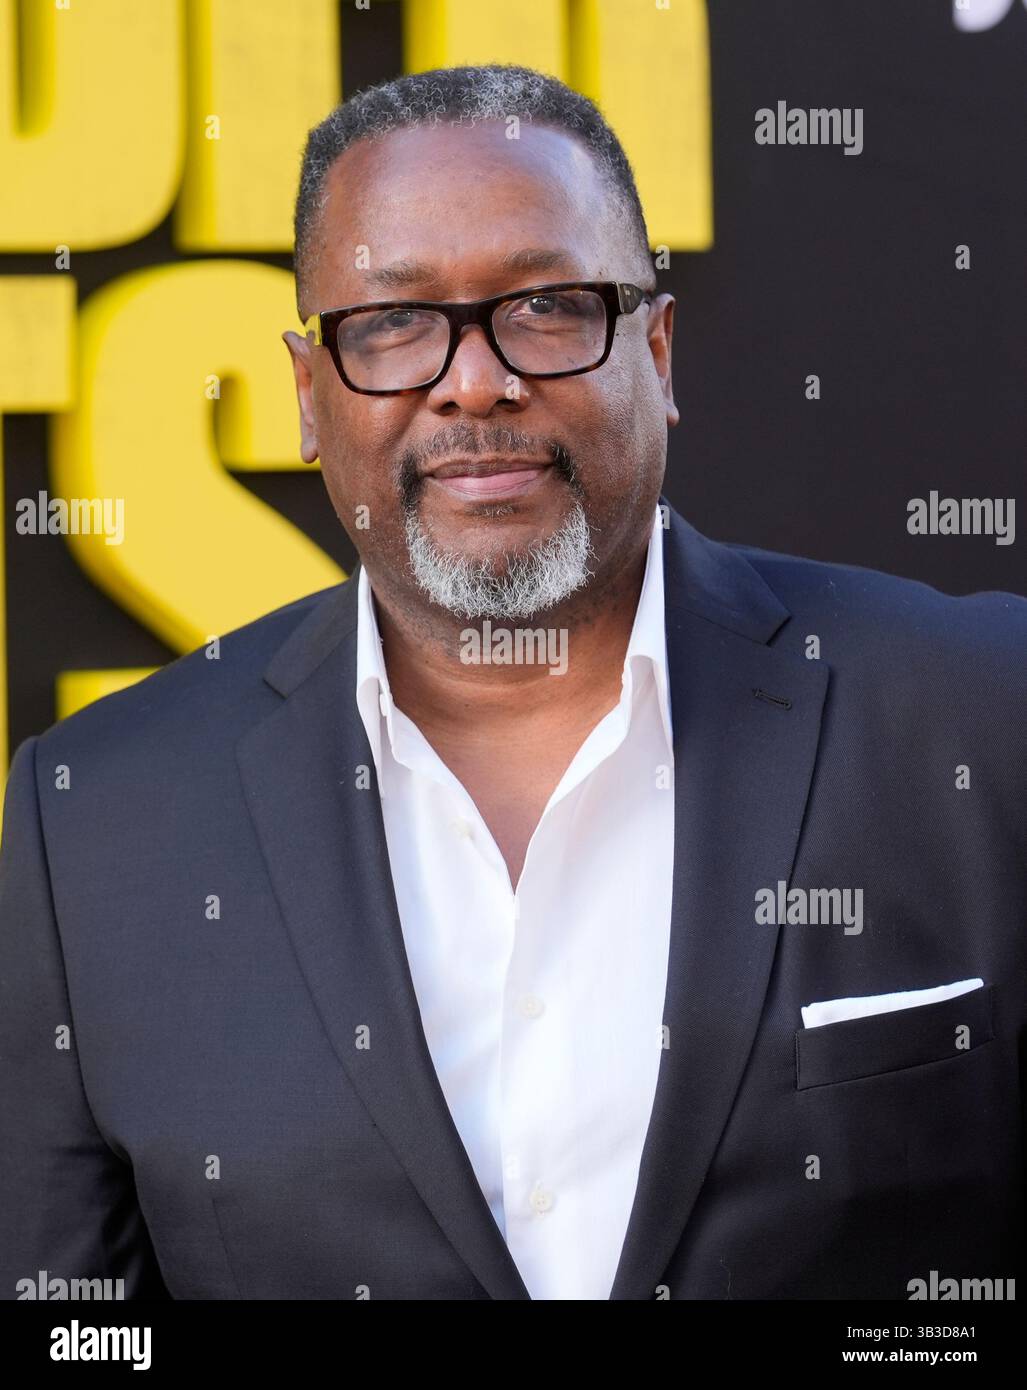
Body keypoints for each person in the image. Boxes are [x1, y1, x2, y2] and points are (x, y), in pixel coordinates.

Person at [1, 64, 1024, 1302]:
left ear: (654, 346)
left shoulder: (978, 716)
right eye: (391, 322)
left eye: (544, 306)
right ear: (308, 395)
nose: (473, 380)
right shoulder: (91, 820)